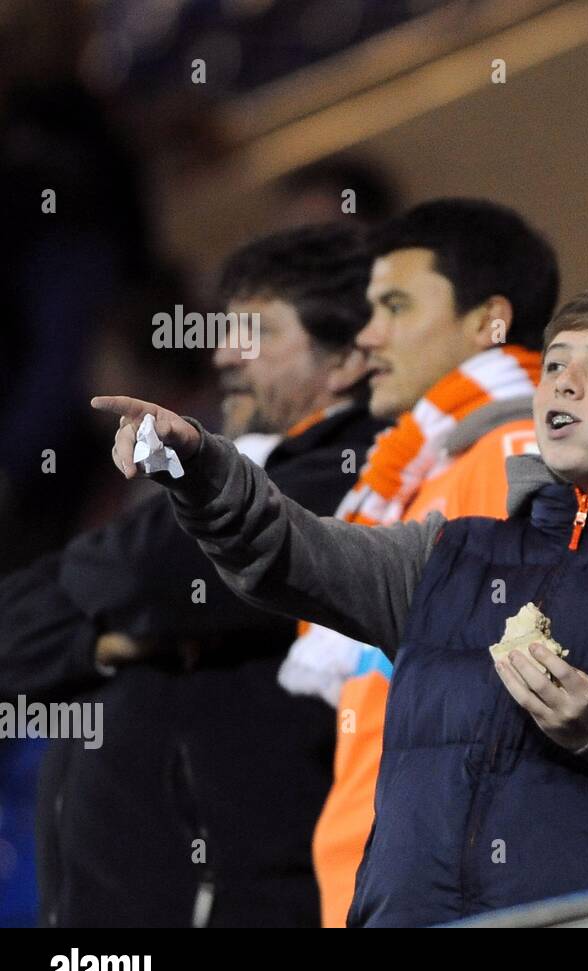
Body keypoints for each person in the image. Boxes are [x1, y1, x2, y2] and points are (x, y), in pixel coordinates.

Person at [92, 283, 588, 926]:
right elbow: (287, 552)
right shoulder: (448, 554)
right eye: (554, 361)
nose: (562, 381)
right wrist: (200, 466)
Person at [0, 223, 383, 926]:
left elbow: (147, 570)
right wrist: (101, 644)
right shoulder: (223, 464)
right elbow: (15, 633)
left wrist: (116, 593)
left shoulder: (357, 474)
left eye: (258, 332)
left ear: (348, 358)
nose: (223, 355)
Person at [289, 198, 560, 926]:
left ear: (489, 322)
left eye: (397, 306)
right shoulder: (419, 477)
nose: (369, 335)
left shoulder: (511, 456)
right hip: (379, 888)